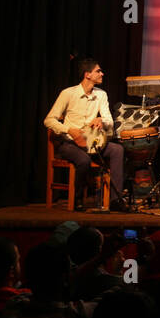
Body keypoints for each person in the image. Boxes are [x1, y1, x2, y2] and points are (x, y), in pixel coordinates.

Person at [44, 57, 127, 210]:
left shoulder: (101, 95)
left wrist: (102, 121)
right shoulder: (68, 93)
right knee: (83, 160)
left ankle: (116, 200)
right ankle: (77, 199)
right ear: (87, 74)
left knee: (117, 150)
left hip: (91, 141)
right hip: (69, 142)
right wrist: (69, 130)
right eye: (98, 71)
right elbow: (49, 120)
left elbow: (109, 121)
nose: (102, 74)